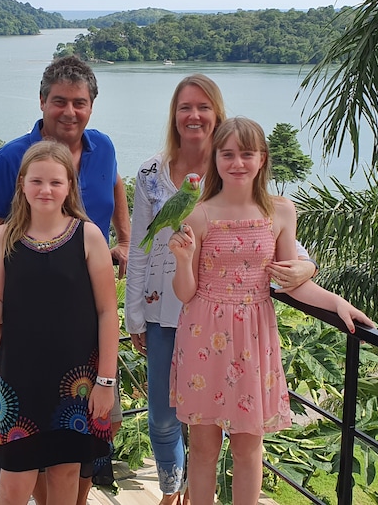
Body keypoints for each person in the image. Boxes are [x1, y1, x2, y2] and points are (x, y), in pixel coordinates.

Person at [125, 76, 317, 505]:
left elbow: (263, 229)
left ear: (218, 115)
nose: (194, 116)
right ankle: (174, 489)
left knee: (229, 429)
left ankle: (197, 492)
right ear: (174, 116)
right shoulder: (151, 173)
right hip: (168, 306)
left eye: (203, 107)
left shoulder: (229, 163)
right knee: (163, 417)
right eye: (184, 107)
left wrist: (307, 264)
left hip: (229, 321)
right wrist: (133, 313)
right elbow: (138, 246)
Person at [166, 117, 374, 505]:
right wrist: (182, 260)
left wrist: (338, 303)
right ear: (215, 158)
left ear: (262, 159)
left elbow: (292, 280)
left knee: (248, 448)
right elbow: (186, 292)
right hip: (201, 335)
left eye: (247, 154)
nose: (237, 163)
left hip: (253, 337)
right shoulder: (199, 213)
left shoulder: (280, 212)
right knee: (204, 445)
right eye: (228, 154)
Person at [0, 55, 129, 498]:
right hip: (26, 345)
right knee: (25, 460)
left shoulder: (103, 148)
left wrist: (127, 239)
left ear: (91, 107)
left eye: (79, 102)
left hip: (81, 345)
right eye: (59, 101)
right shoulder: (10, 159)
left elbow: (116, 185)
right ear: (42, 102)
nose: (69, 111)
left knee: (73, 461)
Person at [0, 141, 119, 505]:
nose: (46, 190)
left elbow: (106, 312)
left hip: (78, 383)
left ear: (69, 186)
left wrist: (105, 381)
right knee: (13, 486)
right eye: (36, 181)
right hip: (20, 379)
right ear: (22, 183)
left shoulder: (88, 236)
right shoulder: (2, 237)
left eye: (56, 182)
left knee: (66, 474)